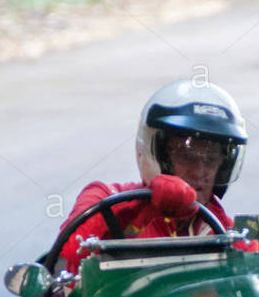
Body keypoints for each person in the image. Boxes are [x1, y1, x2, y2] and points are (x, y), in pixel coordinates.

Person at [56, 79, 247, 275]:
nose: (199, 171)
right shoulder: (104, 197)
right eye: (186, 156)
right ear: (156, 154)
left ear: (224, 165)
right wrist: (149, 205)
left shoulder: (229, 234)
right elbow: (67, 253)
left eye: (211, 159)